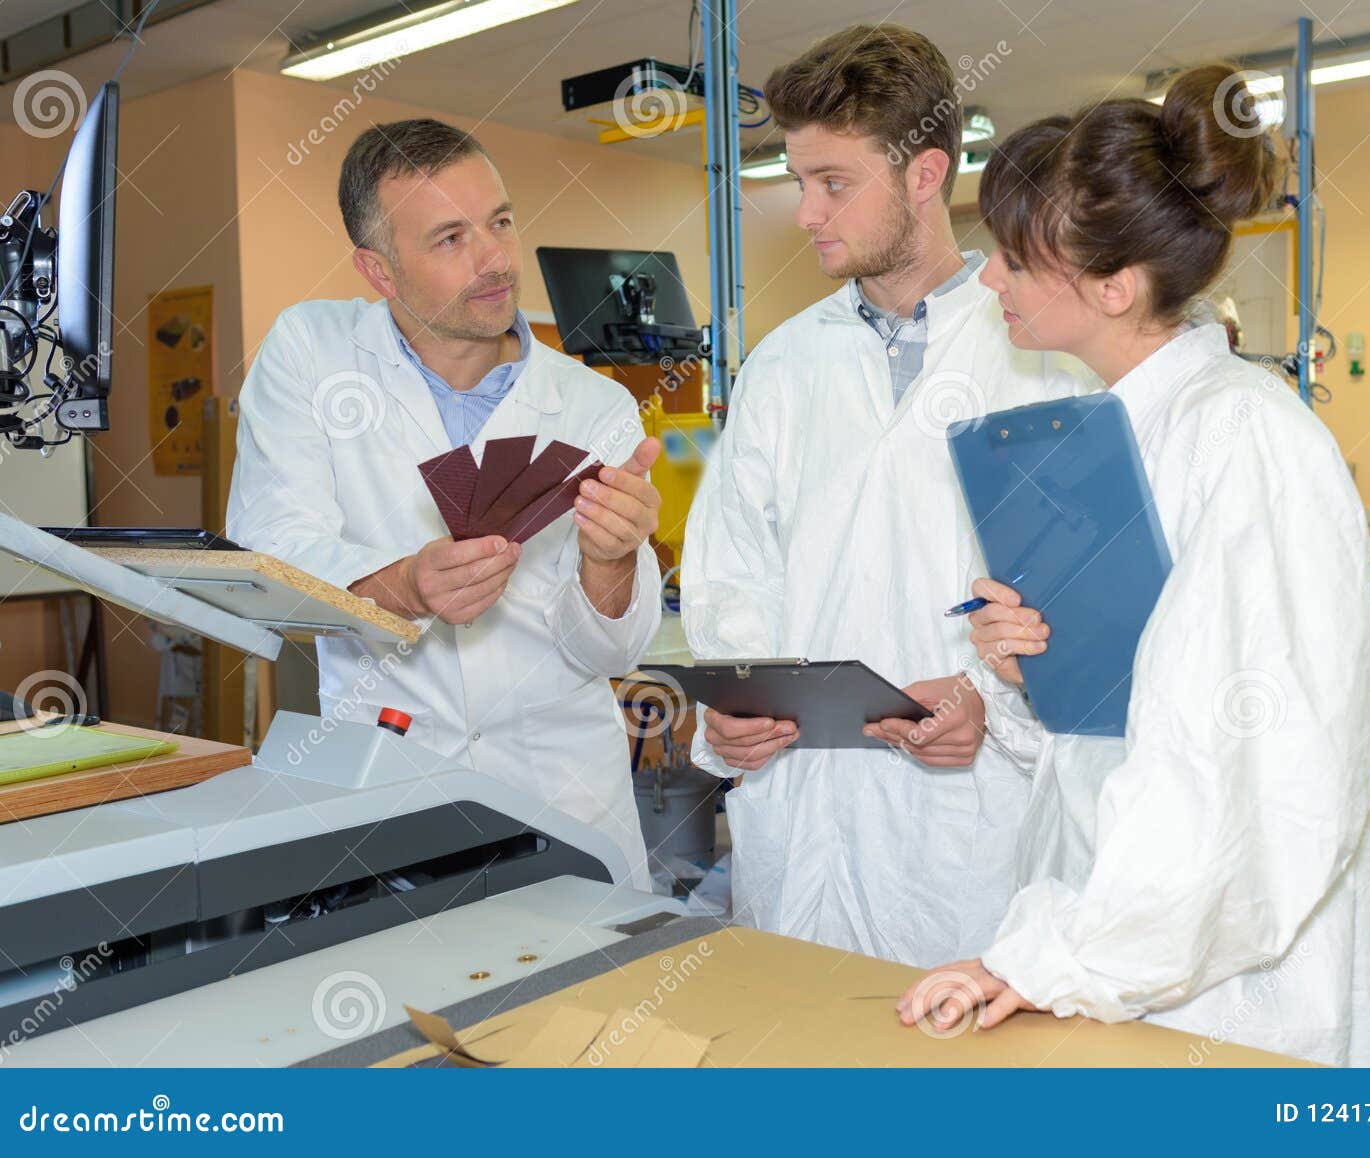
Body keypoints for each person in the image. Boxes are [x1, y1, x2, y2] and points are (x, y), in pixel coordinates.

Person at [894, 66, 1370, 1066]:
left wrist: (1062, 958)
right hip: (1113, 931)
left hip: (1212, 973)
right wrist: (1030, 672)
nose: (987, 280)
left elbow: (1246, 768)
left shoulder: (1245, 440)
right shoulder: (1103, 439)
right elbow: (1112, 725)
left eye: (1013, 260)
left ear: (1113, 288)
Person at [681, 25, 1086, 966]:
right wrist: (734, 705)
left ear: (924, 174)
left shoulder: (1039, 356)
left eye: (834, 182)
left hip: (968, 827)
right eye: (799, 181)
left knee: (961, 1044)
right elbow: (731, 570)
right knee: (794, 1031)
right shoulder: (783, 363)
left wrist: (993, 704)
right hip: (801, 814)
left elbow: (1083, 602)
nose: (805, 212)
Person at [228, 119, 663, 889]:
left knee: (583, 968)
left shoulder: (592, 406)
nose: (495, 259)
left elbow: (611, 656)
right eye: (451, 239)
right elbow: (268, 555)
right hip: (390, 783)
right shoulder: (311, 353)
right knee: (396, 966)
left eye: (500, 222)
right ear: (380, 270)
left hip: (562, 797)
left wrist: (611, 563)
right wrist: (403, 584)